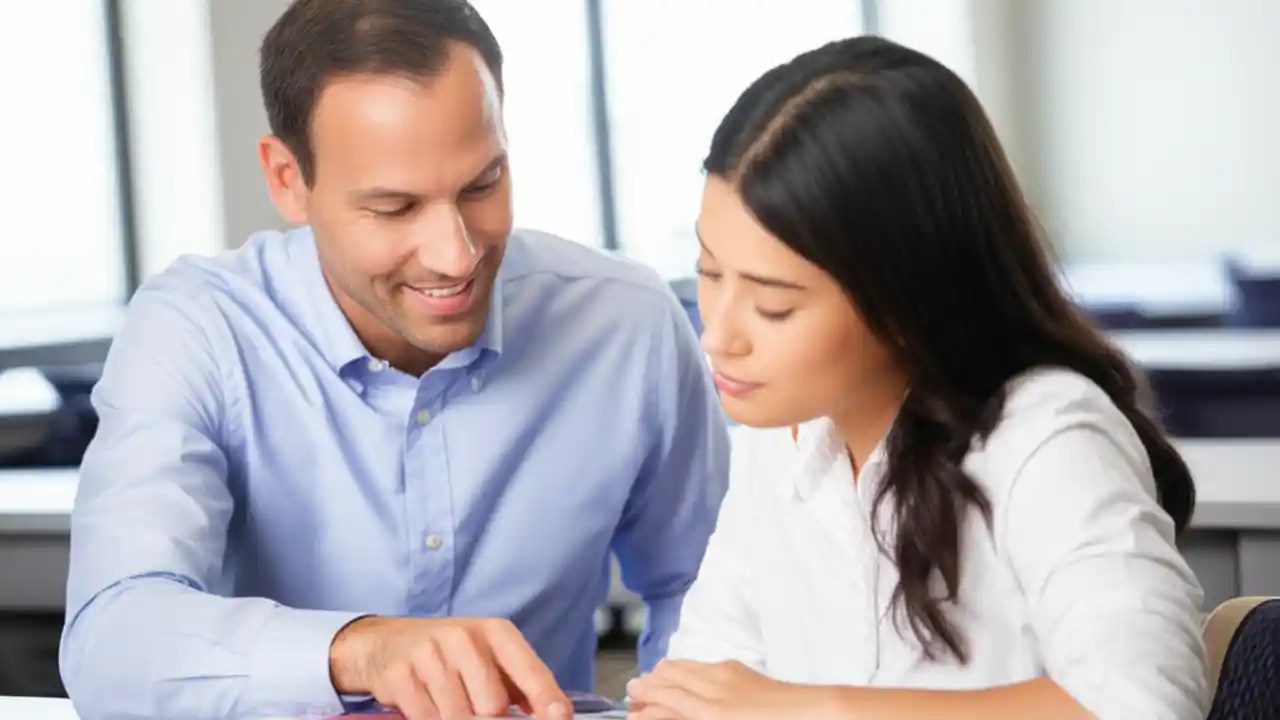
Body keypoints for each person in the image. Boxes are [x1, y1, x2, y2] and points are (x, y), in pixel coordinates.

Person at [58, 2, 729, 719]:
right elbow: (112, 639)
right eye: (394, 208)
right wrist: (360, 648)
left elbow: (709, 587)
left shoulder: (627, 323)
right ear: (288, 179)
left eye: (482, 184)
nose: (457, 254)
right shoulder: (197, 329)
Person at [626, 36, 1207, 720]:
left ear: (904, 299)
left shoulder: (1045, 439)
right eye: (709, 272)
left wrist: (813, 710)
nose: (717, 334)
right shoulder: (779, 437)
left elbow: (1143, 705)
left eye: (773, 304)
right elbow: (704, 685)